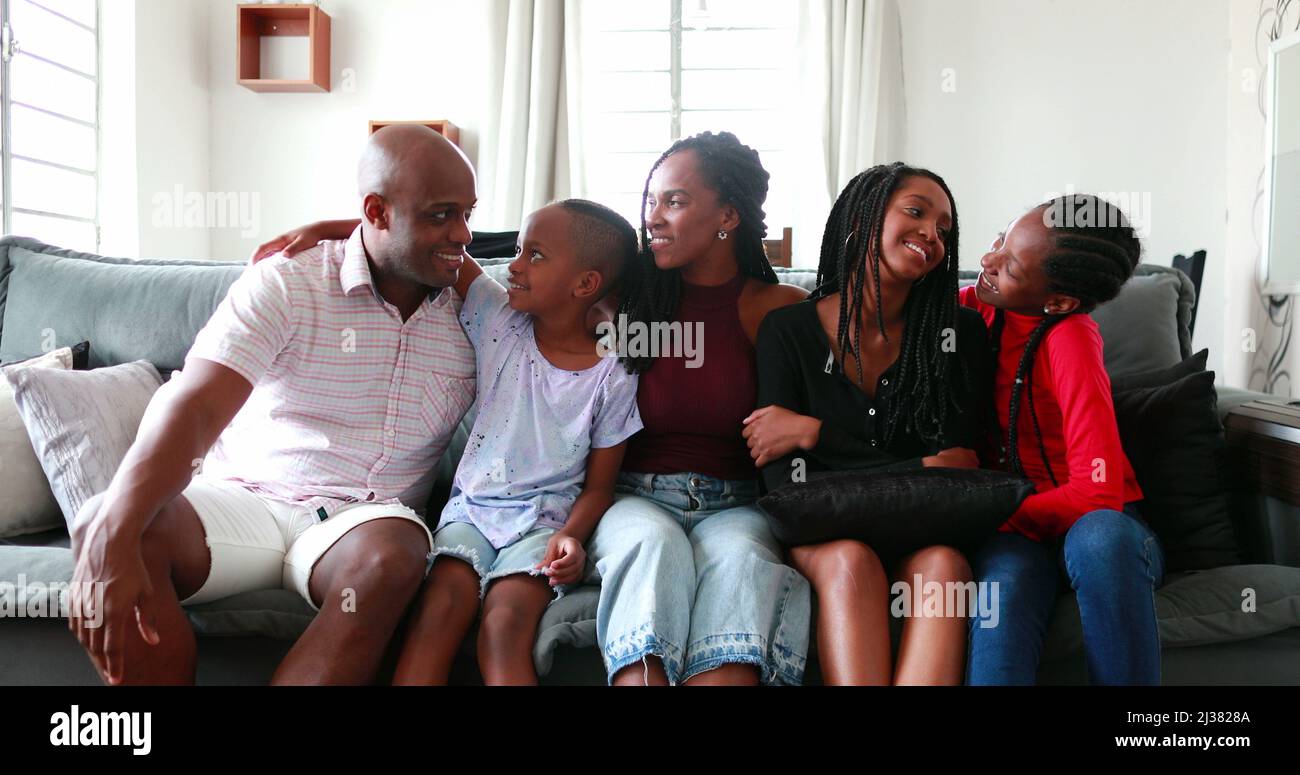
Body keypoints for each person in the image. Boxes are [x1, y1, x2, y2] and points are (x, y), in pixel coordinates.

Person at [255, 131, 812, 686]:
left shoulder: (754, 314)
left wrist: (809, 427)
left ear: (728, 216)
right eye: (650, 199)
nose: (654, 217)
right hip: (595, 502)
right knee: (640, 547)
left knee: (735, 563)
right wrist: (341, 229)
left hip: (691, 506)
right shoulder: (622, 300)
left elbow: (859, 392)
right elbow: (446, 247)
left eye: (675, 200)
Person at [67, 125, 479, 685]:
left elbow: (554, 281)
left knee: (393, 558)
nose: (463, 235)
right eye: (441, 215)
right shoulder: (289, 281)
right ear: (376, 212)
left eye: (468, 215)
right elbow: (194, 407)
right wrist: (114, 524)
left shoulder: (479, 311)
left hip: (364, 522)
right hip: (244, 501)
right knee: (109, 522)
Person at [746, 162, 991, 685]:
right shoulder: (787, 331)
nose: (932, 234)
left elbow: (957, 472)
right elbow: (784, 486)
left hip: (921, 533)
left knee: (946, 568)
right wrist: (917, 464)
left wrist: (817, 435)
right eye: (916, 212)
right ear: (865, 216)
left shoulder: (959, 334)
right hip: (824, 532)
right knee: (851, 561)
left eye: (944, 229)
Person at [386, 200, 642, 685]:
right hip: (471, 514)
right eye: (519, 250)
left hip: (544, 526)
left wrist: (572, 537)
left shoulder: (615, 372)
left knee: (504, 626)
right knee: (437, 611)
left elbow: (599, 489)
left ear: (585, 284)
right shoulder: (499, 321)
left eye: (536, 255)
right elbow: (442, 254)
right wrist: (333, 226)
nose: (515, 266)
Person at [962, 194, 1159, 685]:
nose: (986, 263)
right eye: (998, 241)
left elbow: (1097, 495)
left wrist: (987, 510)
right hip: (1013, 534)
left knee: (1100, 537)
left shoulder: (1070, 337)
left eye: (1009, 266)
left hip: (1097, 526)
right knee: (1003, 589)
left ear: (1059, 301)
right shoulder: (972, 311)